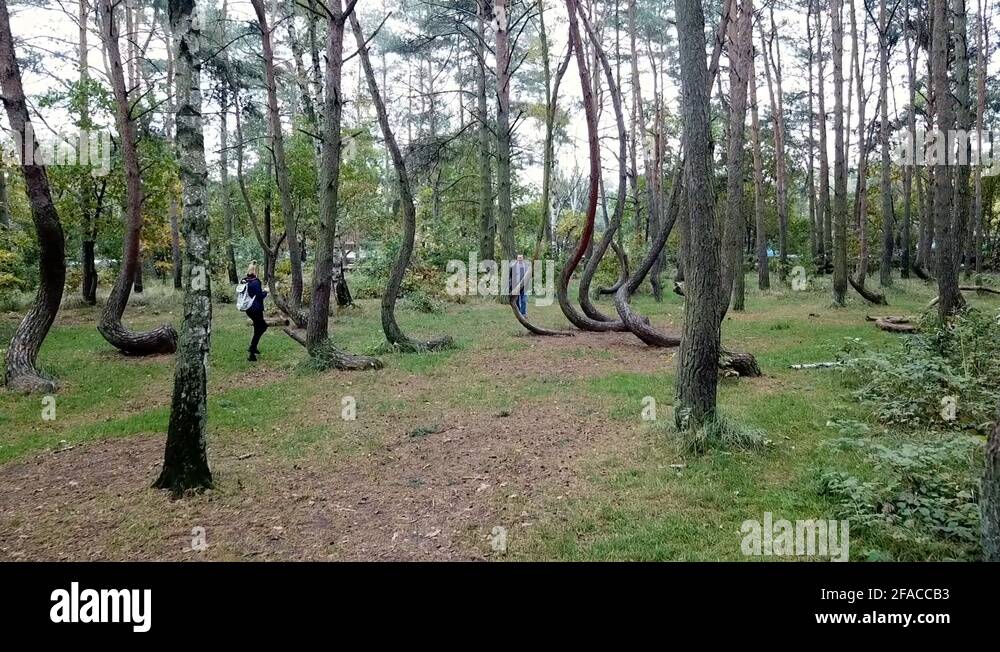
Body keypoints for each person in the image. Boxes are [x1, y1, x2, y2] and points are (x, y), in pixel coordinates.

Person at [244, 262, 268, 362]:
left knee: (258, 327)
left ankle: (253, 349)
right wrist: (266, 291)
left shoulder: (244, 280)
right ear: (255, 271)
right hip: (256, 309)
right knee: (262, 327)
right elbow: (259, 296)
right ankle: (252, 350)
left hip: (248, 308)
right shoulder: (256, 281)